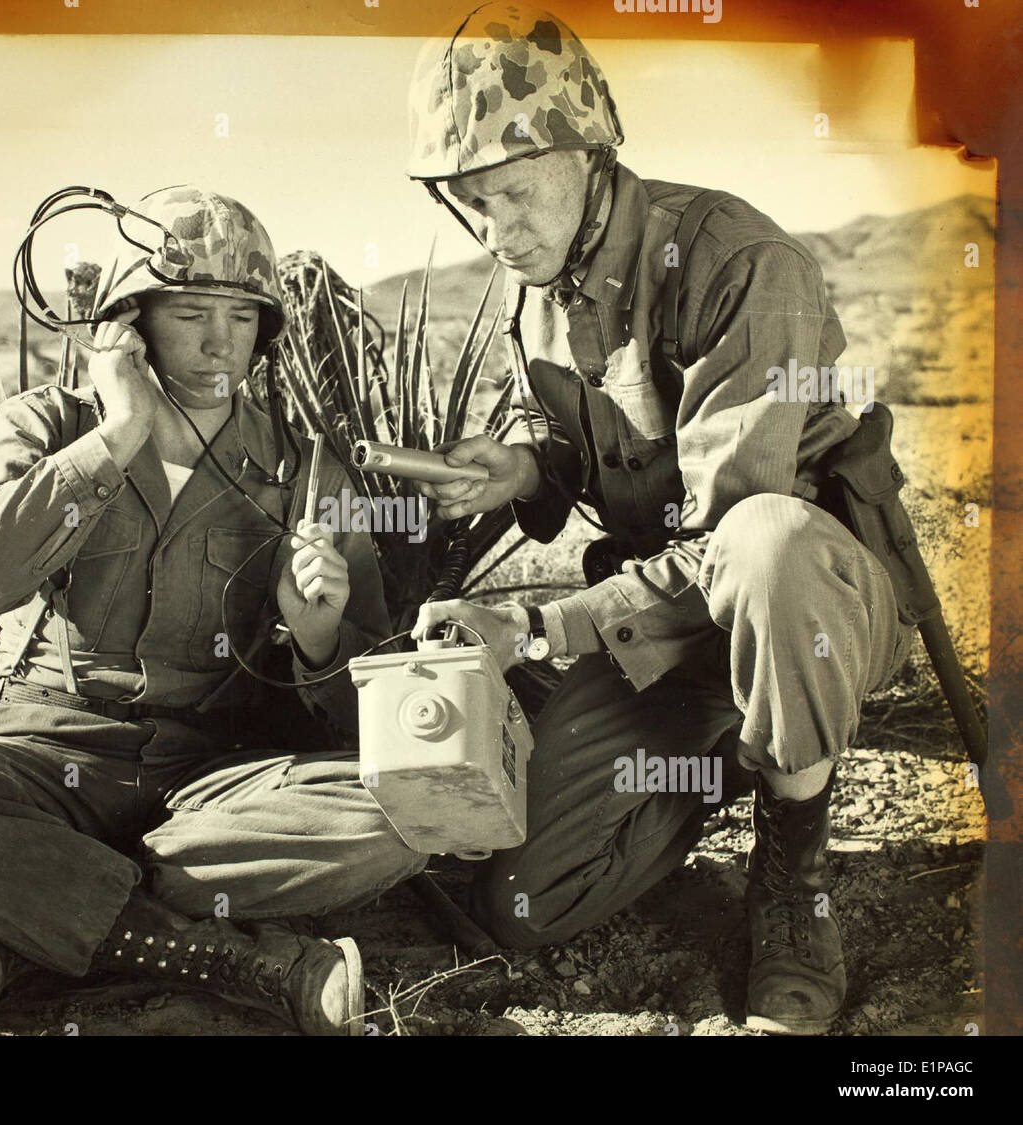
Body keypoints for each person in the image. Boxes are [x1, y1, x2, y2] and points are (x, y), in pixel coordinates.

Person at [405, 4, 912, 1034]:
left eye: (512, 193)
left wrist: (539, 628)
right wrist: (512, 467)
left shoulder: (734, 260)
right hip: (667, 631)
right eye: (472, 204)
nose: (496, 233)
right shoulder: (533, 288)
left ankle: (793, 865)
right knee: (522, 905)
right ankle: (725, 758)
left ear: (590, 150)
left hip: (805, 611)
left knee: (769, 547)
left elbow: (731, 541)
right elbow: (560, 435)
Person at [0, 185, 428, 1036]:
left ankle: (34, 916)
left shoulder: (307, 469)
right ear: (129, 323)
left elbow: (368, 708)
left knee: (399, 812)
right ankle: (221, 954)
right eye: (190, 312)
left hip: (214, 783)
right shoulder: (46, 424)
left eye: (243, 316)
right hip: (44, 756)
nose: (221, 343)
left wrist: (320, 637)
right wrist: (119, 430)